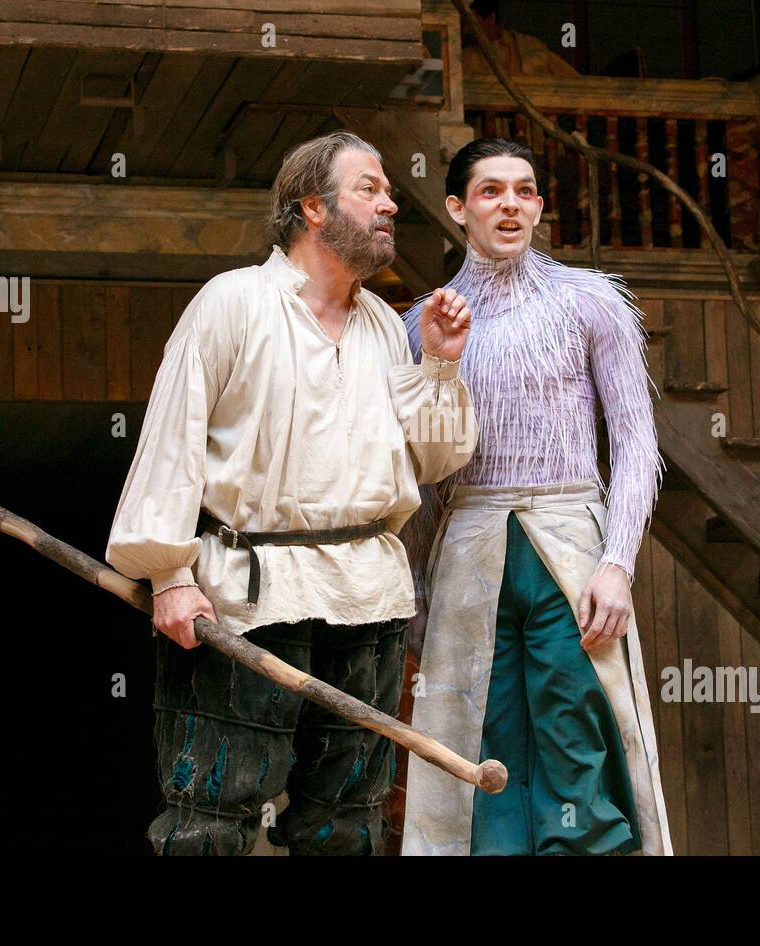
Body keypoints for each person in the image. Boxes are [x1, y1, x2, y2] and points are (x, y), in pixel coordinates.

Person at [105, 130, 477, 855]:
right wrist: (171, 575)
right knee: (211, 815)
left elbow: (433, 460)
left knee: (345, 823)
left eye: (387, 190)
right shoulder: (232, 303)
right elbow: (172, 442)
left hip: (368, 600)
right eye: (369, 187)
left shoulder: (379, 324)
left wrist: (437, 362)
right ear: (313, 206)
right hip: (247, 597)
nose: (390, 203)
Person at [400, 137, 672, 856]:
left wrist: (618, 562)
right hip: (468, 546)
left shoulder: (589, 302)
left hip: (568, 537)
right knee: (477, 748)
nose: (511, 204)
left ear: (540, 206)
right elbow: (422, 474)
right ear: (458, 208)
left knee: (575, 731)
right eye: (491, 191)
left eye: (524, 190)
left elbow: (638, 443)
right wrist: (415, 588)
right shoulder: (423, 322)